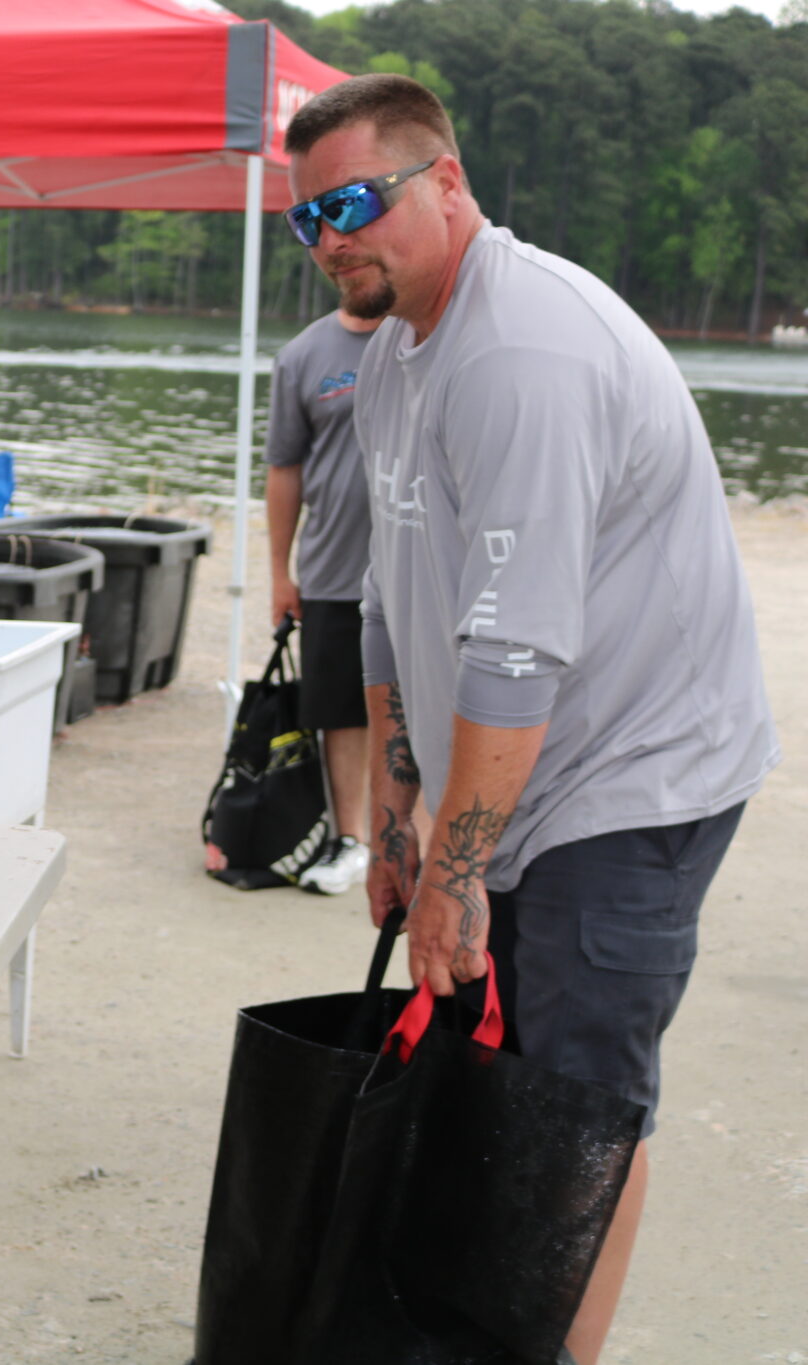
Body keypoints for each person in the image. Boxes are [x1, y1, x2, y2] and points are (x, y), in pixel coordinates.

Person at [283, 74, 778, 1363]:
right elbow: (393, 603)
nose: (331, 236)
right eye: (306, 219)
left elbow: (514, 643)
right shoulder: (392, 352)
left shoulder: (522, 349)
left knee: (567, 1099)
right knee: (486, 1079)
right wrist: (396, 807)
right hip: (505, 776)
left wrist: (455, 868)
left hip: (626, 777)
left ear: (445, 182)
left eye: (352, 201)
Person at [265, 304, 384, 895]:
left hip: (422, 573)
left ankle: (415, 837)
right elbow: (284, 468)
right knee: (340, 711)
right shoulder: (303, 356)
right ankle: (351, 838)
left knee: (425, 706)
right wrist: (280, 574)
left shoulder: (425, 335)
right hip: (333, 571)